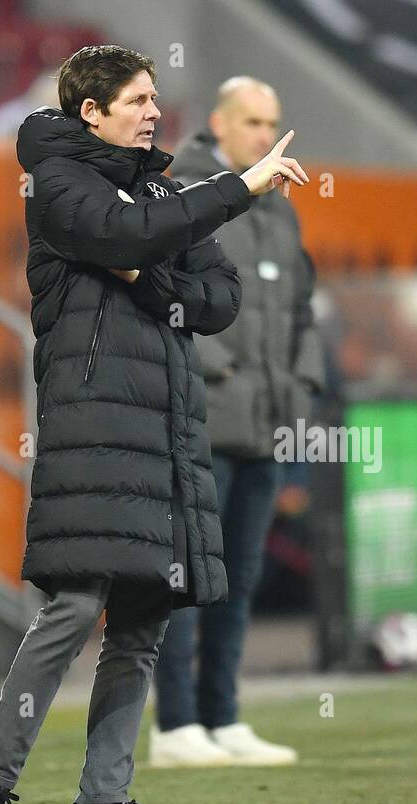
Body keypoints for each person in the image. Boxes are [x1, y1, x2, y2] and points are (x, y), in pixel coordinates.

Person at [0, 45, 307, 804]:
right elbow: (129, 231)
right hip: (91, 422)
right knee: (75, 605)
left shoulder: (161, 189)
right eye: (139, 99)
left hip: (165, 425)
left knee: (144, 620)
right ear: (93, 112)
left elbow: (219, 296)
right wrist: (236, 191)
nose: (153, 110)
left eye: (152, 97)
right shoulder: (59, 183)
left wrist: (146, 277)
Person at [148, 76, 325, 768]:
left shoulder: (279, 203)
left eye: (271, 121)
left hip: (268, 421)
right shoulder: (184, 189)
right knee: (188, 575)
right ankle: (175, 725)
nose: (263, 133)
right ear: (218, 124)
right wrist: (216, 371)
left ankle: (222, 716)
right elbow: (167, 288)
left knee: (239, 576)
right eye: (252, 121)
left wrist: (302, 380)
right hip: (206, 417)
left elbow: (304, 304)